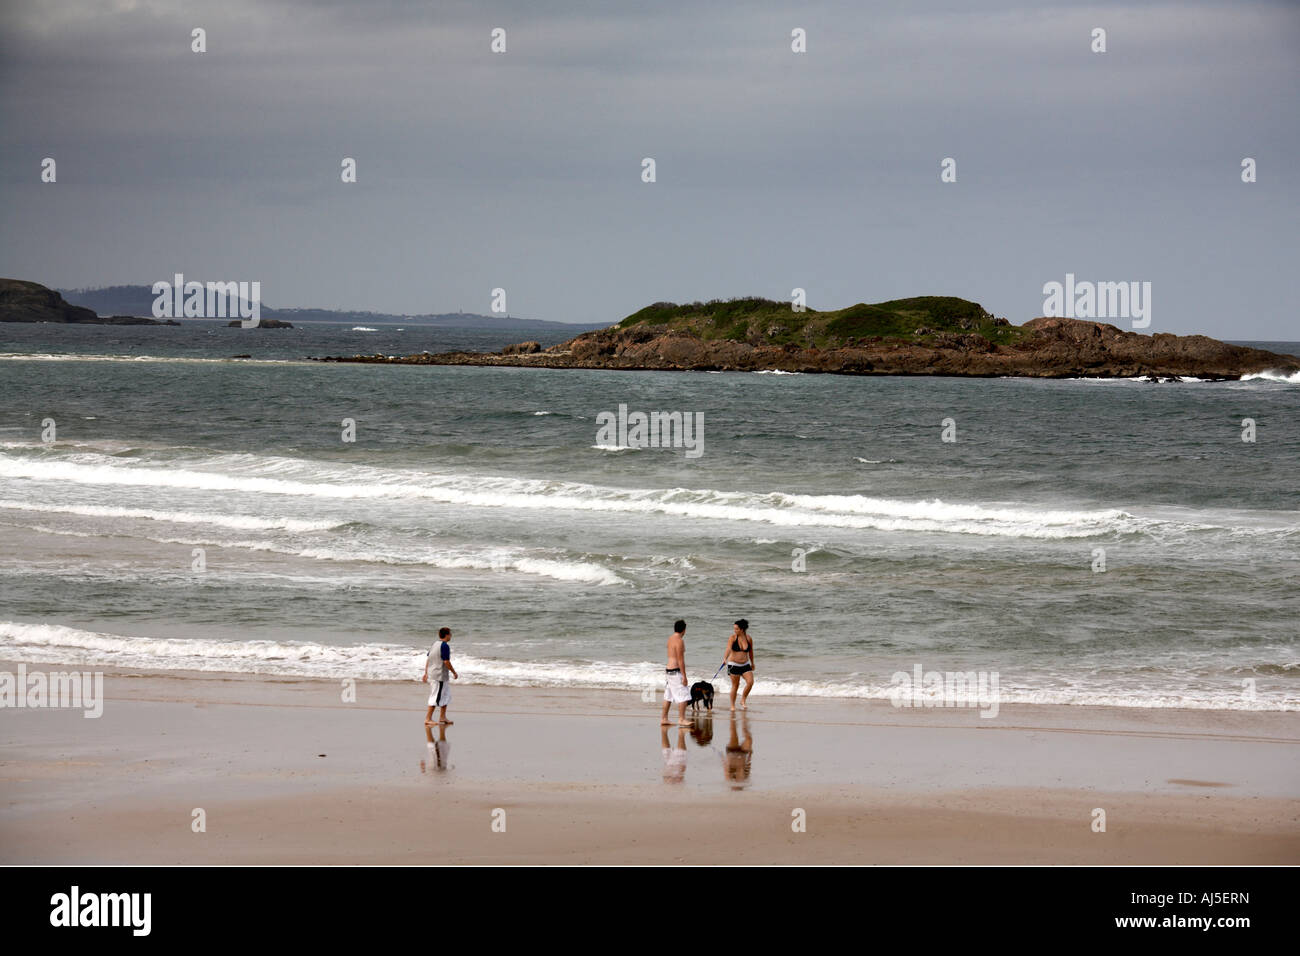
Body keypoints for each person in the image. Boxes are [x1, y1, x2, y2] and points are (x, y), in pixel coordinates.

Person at [422, 626, 458, 725]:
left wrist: (426, 673)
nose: (451, 636)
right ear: (446, 635)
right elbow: (446, 661)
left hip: (438, 675)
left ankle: (442, 718)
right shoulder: (444, 646)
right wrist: (454, 672)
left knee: (446, 696)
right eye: (450, 634)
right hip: (439, 676)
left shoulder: (435, 644)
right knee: (435, 697)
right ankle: (428, 718)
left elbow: (428, 659)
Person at [660, 619, 691, 727]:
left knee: (668, 695)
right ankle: (681, 719)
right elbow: (680, 660)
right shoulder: (679, 641)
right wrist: (684, 676)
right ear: (684, 630)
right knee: (684, 694)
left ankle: (664, 718)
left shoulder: (670, 638)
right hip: (675, 671)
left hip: (668, 670)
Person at [724, 618, 755, 711]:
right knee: (735, 685)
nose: (735, 630)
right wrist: (725, 658)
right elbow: (728, 649)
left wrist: (752, 663)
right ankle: (732, 705)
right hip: (734, 664)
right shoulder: (732, 638)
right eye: (734, 628)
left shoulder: (749, 638)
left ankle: (743, 699)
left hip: (745, 664)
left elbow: (751, 652)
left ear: (742, 629)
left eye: (736, 629)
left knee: (750, 682)